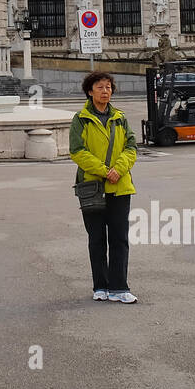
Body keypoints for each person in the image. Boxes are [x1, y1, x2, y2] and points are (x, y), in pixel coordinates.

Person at [69, 71, 138, 303]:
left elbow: (131, 147)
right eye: (100, 87)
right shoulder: (80, 119)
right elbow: (77, 151)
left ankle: (119, 287)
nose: (105, 91)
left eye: (108, 87)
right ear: (90, 91)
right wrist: (103, 170)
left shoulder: (120, 117)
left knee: (119, 237)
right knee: (96, 238)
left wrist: (118, 169)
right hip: (92, 187)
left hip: (119, 185)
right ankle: (100, 285)